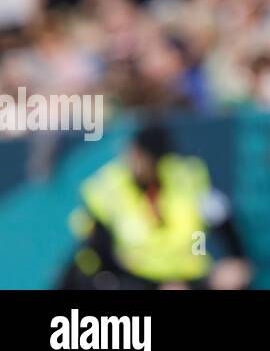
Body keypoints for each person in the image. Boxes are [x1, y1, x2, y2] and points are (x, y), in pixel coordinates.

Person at [58, 122, 253, 290]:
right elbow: (102, 258)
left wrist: (235, 260)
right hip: (132, 282)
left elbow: (221, 223)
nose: (143, 164)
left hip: (190, 280)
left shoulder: (186, 179)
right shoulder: (108, 189)